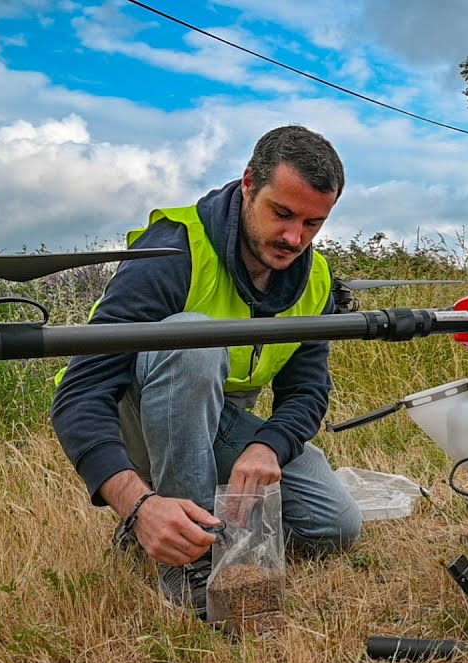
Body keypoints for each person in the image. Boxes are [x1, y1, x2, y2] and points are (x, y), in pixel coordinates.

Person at [51, 125, 362, 621]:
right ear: (247, 185)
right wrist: (135, 503)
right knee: (194, 340)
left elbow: (307, 390)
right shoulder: (172, 254)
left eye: (312, 223)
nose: (293, 238)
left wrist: (269, 446)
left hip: (223, 421)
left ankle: (186, 520)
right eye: (281, 213)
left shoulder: (316, 278)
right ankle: (187, 561)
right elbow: (79, 396)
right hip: (146, 414)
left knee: (335, 526)